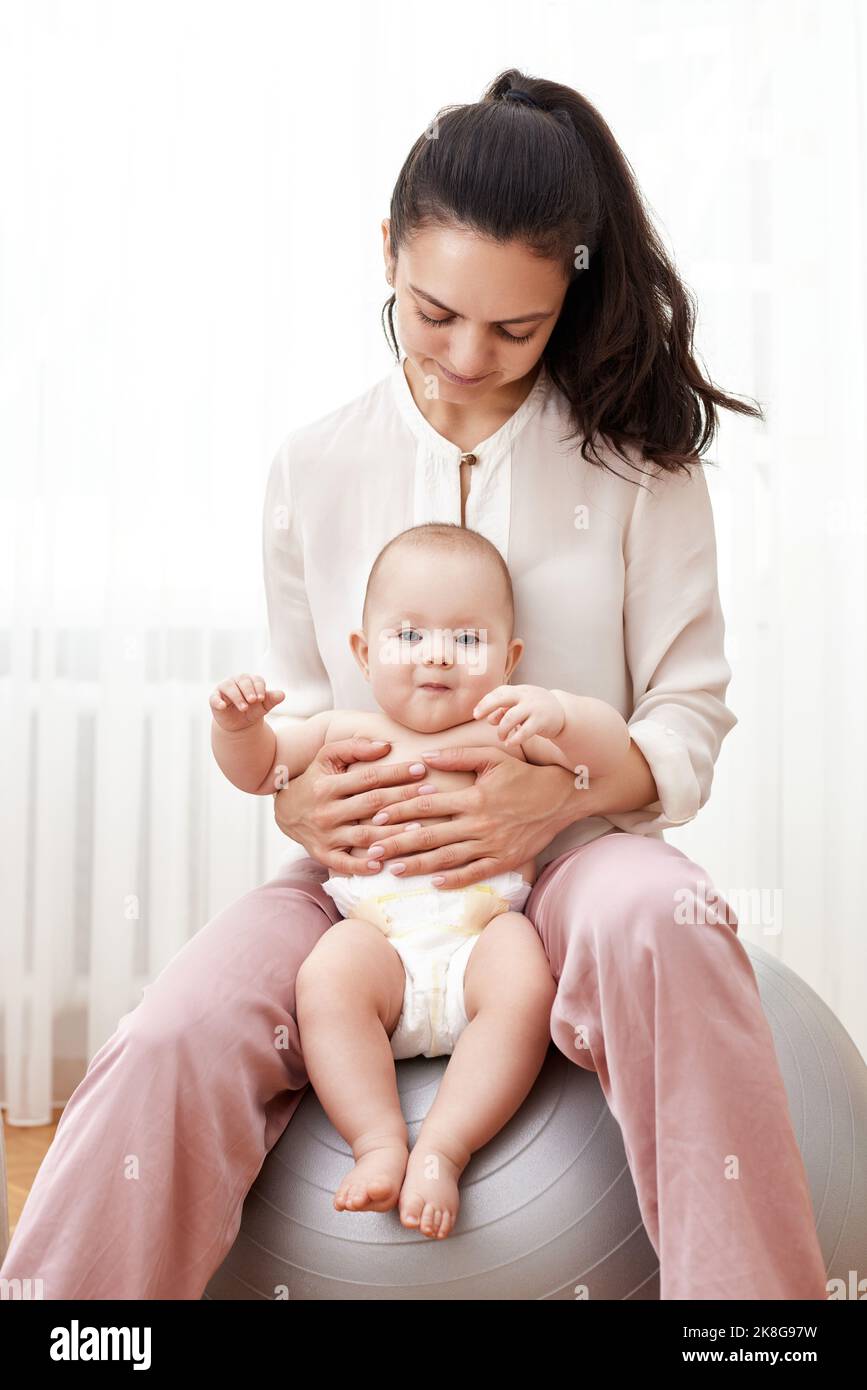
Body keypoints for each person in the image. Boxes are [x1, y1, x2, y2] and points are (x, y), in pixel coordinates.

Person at [0, 67, 828, 1301]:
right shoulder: (315, 466)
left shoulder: (646, 471)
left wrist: (549, 801)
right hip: (359, 888)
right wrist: (296, 803)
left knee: (668, 922)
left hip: (579, 858)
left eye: (515, 329)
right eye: (433, 312)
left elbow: (688, 725)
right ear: (386, 251)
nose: (465, 358)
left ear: (572, 297)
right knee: (172, 1030)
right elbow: (292, 716)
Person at [209, 522, 631, 1240]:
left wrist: (563, 713)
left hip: (478, 944)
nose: (436, 654)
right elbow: (259, 771)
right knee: (327, 976)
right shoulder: (339, 728)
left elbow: (609, 748)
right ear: (363, 654)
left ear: (509, 658)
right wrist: (240, 727)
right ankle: (378, 1141)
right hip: (382, 951)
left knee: (523, 975)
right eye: (408, 636)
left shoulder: (508, 730)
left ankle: (443, 1147)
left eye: (467, 639)